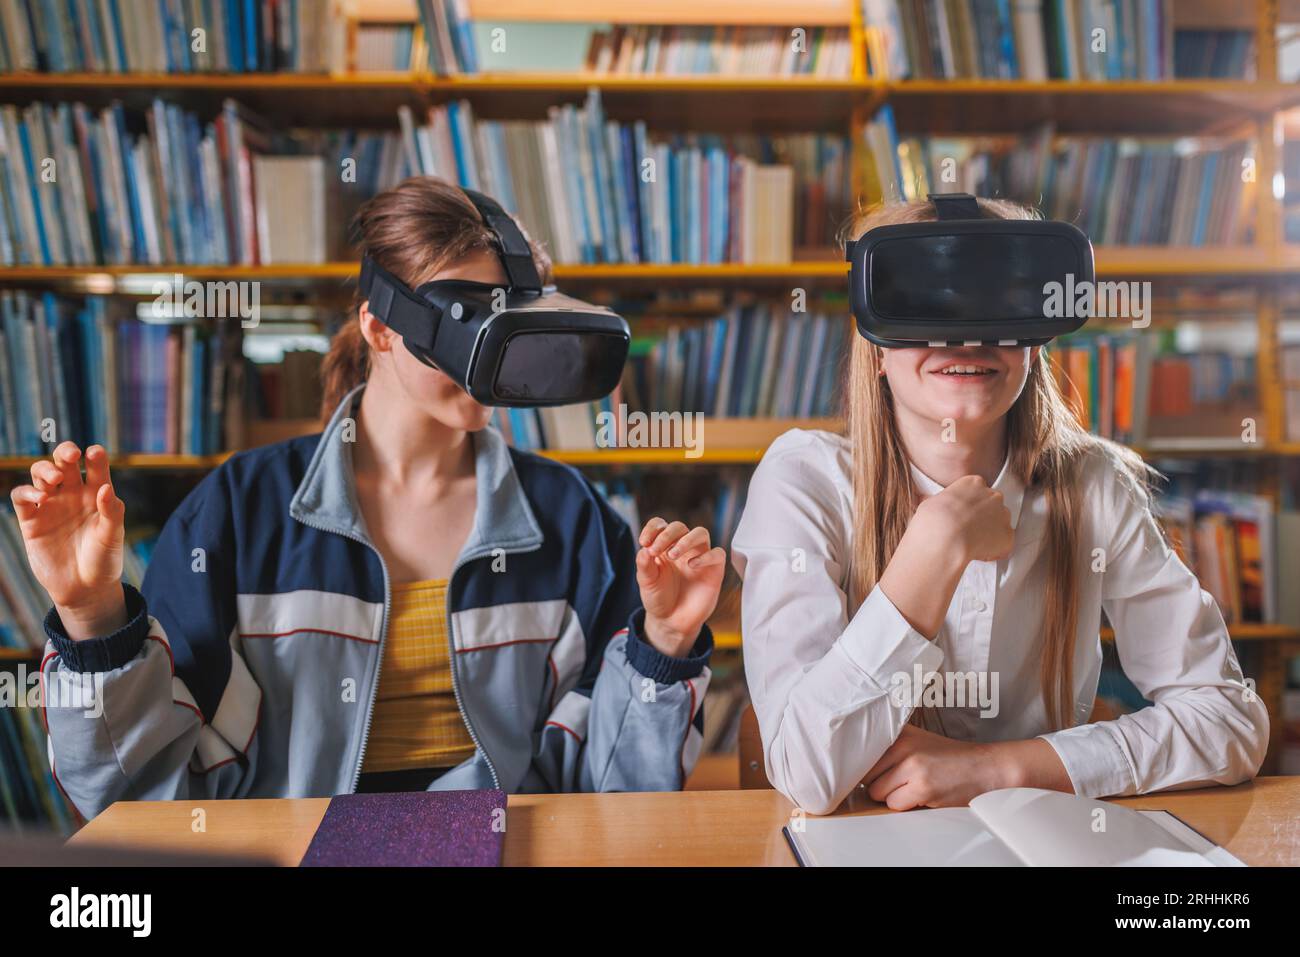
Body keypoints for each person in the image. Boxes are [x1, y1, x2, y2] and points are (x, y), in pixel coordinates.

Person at [14, 176, 725, 819]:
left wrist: (663, 645)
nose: (491, 364)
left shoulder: (572, 520)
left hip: (507, 848)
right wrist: (92, 613)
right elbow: (132, 798)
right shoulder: (238, 512)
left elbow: (620, 795)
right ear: (380, 327)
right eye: (464, 323)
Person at [732, 197, 1269, 816]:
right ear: (875, 347)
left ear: (1035, 342)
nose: (965, 335)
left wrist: (996, 769)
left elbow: (1229, 720)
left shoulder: (1091, 486)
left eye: (997, 304)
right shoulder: (804, 480)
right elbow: (805, 772)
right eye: (925, 304)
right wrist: (930, 558)